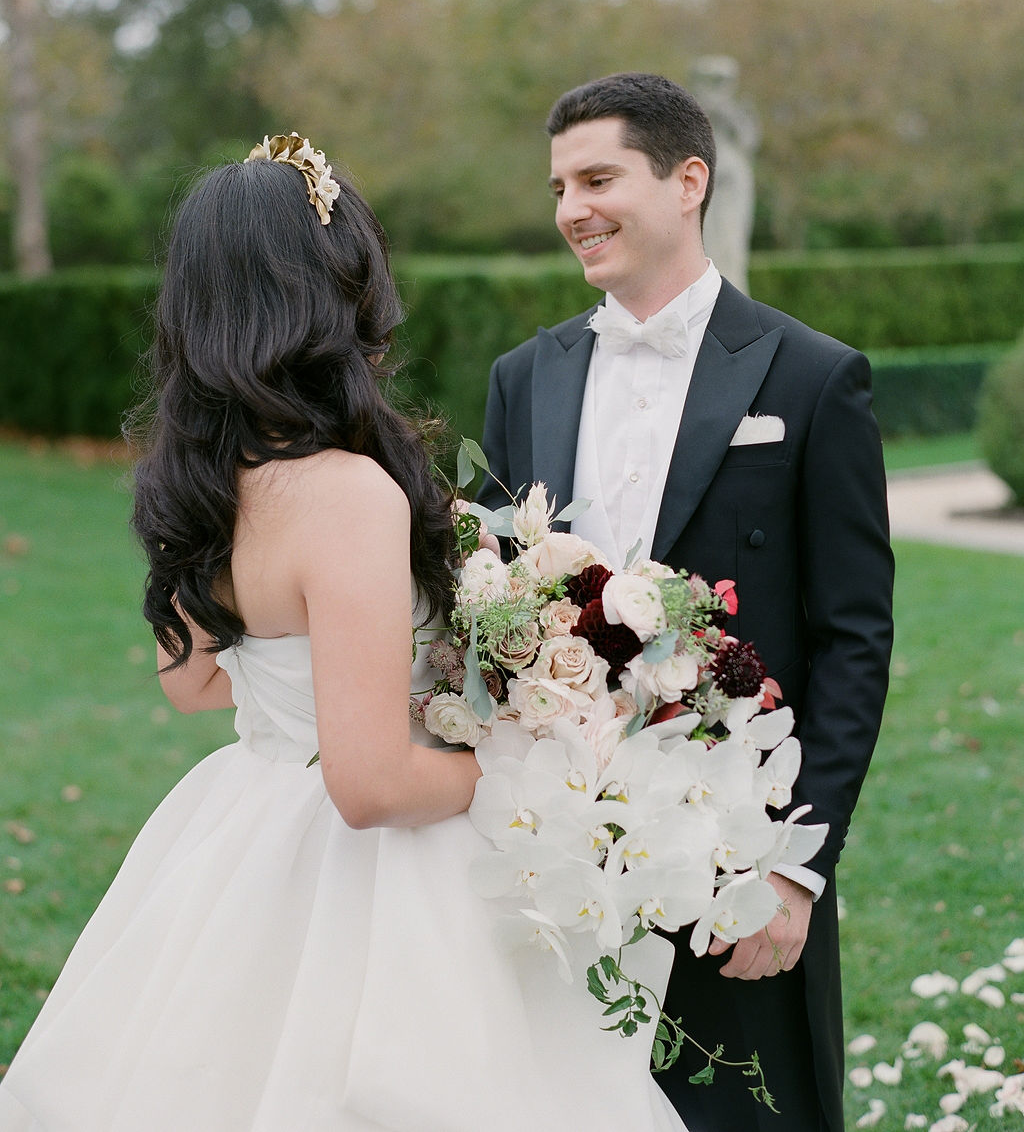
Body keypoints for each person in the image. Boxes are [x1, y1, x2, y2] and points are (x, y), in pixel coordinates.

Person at [0, 135, 688, 1131]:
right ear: (332, 292)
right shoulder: (350, 494)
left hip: (240, 833)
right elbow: (368, 786)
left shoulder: (191, 476)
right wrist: (536, 763)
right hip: (377, 876)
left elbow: (191, 686)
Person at [479, 74, 894, 1132]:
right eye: (560, 184)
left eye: (599, 176)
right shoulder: (524, 378)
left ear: (687, 180)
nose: (572, 207)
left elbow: (852, 639)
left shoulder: (811, 377)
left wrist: (796, 870)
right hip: (555, 850)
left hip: (737, 848)